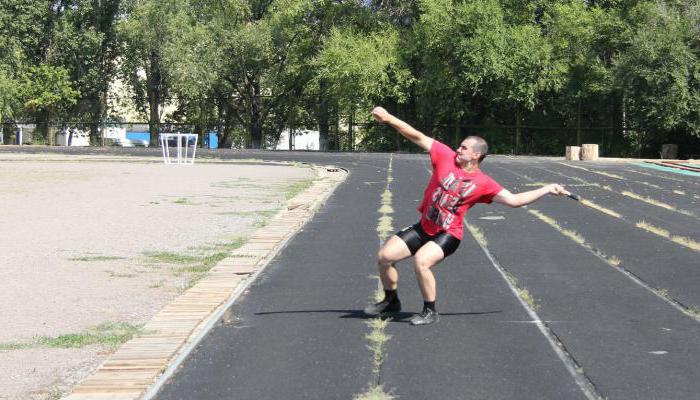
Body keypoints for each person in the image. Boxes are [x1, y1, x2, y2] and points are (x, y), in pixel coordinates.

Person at [365, 106, 571, 326]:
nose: (458, 149)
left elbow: (514, 200)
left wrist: (547, 188)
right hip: (424, 227)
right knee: (385, 257)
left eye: (463, 147)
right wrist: (388, 118)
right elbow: (416, 135)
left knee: (421, 261)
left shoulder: (484, 183)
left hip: (448, 234)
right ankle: (391, 301)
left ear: (476, 155)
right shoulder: (445, 156)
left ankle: (429, 311)